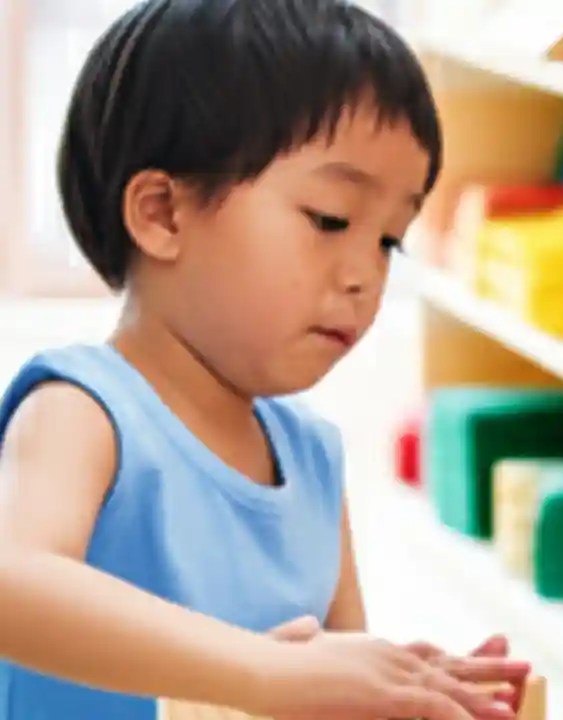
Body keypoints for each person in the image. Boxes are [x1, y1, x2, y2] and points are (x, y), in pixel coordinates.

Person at [0, 1, 531, 718]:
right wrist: (264, 674)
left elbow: (327, 688)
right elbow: (14, 582)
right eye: (331, 220)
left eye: (388, 241)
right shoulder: (83, 411)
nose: (363, 275)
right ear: (162, 213)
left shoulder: (313, 454)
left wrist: (405, 689)